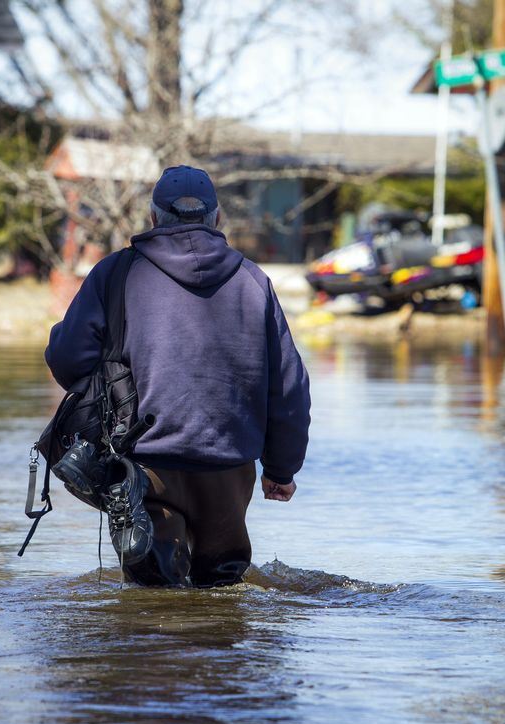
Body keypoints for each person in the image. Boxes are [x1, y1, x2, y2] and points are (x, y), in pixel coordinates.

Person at [45, 165, 311, 587]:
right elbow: (289, 387)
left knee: (153, 593)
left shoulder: (116, 274)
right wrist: (281, 469)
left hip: (143, 464)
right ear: (217, 217)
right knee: (222, 592)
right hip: (228, 467)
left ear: (153, 217)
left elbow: (67, 361)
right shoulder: (253, 281)